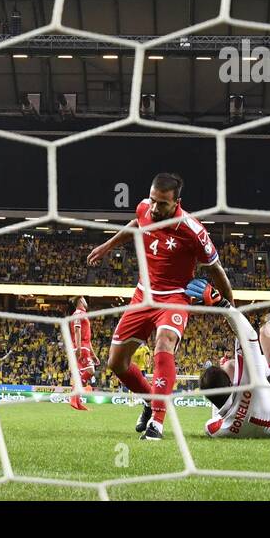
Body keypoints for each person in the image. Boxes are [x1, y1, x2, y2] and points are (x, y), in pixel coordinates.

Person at [87, 172, 234, 440]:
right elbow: (136, 223)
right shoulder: (145, 208)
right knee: (116, 363)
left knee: (164, 342)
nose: (155, 208)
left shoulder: (193, 230)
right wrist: (107, 246)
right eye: (153, 200)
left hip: (175, 297)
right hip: (143, 295)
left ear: (177, 202)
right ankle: (147, 400)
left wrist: (231, 309)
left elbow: (217, 270)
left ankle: (157, 421)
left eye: (162, 204)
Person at [195, 267, 270, 440]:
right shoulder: (250, 386)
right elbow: (249, 336)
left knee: (230, 365)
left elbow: (214, 418)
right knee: (267, 334)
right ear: (232, 384)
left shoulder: (217, 429)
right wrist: (223, 305)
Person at [67, 296, 99, 411]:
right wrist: (79, 348)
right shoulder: (78, 314)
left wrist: (94, 355)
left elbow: (88, 339)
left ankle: (77, 398)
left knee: (87, 372)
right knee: (90, 371)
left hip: (85, 347)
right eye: (84, 299)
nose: (86, 301)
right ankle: (76, 392)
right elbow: (77, 330)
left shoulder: (83, 314)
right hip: (81, 347)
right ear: (80, 301)